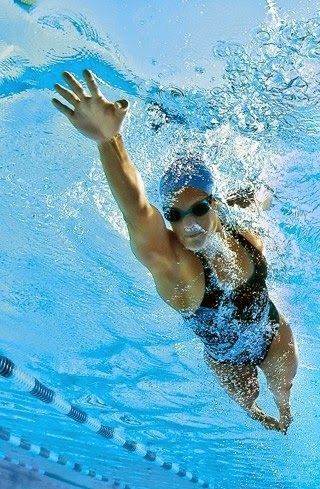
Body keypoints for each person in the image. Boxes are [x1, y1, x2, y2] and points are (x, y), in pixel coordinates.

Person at [52, 70, 299, 434]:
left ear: (215, 205)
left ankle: (283, 409)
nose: (189, 224)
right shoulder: (177, 268)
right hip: (226, 358)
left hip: (270, 333)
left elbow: (257, 197)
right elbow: (137, 210)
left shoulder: (242, 230)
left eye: (199, 209)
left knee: (282, 387)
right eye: (175, 216)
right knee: (248, 398)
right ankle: (260, 414)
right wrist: (109, 140)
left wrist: (268, 189)